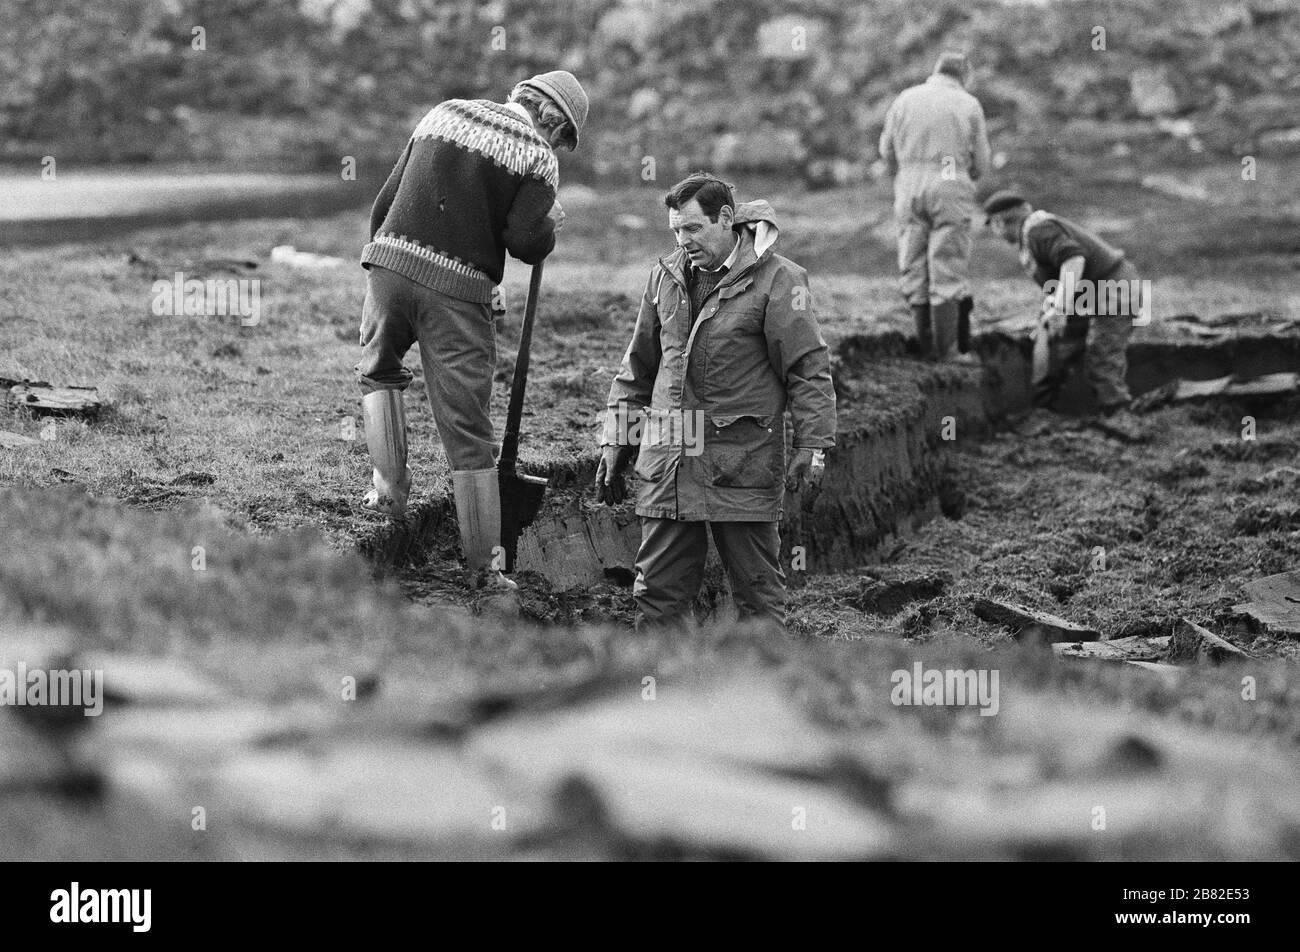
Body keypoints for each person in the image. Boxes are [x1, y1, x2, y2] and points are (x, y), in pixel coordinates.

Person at [354, 70, 588, 587]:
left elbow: (385, 201)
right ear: (556, 126)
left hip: (388, 266)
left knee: (379, 370)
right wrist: (549, 224)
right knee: (467, 429)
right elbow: (524, 241)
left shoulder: (445, 111)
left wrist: (385, 265)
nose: (560, 148)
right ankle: (485, 570)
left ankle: (389, 492)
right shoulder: (538, 156)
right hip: (456, 292)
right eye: (564, 141)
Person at [595, 173, 837, 631]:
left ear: (726, 218)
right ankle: (662, 698)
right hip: (668, 464)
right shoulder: (663, 278)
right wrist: (615, 442)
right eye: (675, 231)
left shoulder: (780, 280)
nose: (682, 240)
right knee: (658, 599)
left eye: (693, 229)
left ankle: (759, 696)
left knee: (758, 598)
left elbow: (807, 367)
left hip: (740, 465)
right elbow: (638, 371)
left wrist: (814, 446)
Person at [983, 190, 1140, 414]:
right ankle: (1045, 409)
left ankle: (1119, 414)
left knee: (1103, 355)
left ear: (999, 222)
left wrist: (1060, 308)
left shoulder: (1038, 230)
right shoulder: (1032, 234)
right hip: (1089, 293)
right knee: (1054, 340)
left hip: (1113, 288)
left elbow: (1073, 260)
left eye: (993, 225)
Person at [879, 51, 991, 360]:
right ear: (963, 75)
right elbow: (981, 162)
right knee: (947, 264)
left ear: (936, 70)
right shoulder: (968, 104)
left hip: (909, 183)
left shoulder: (904, 99)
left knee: (913, 262)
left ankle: (925, 345)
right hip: (950, 182)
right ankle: (948, 351)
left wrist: (905, 173)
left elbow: (885, 150)